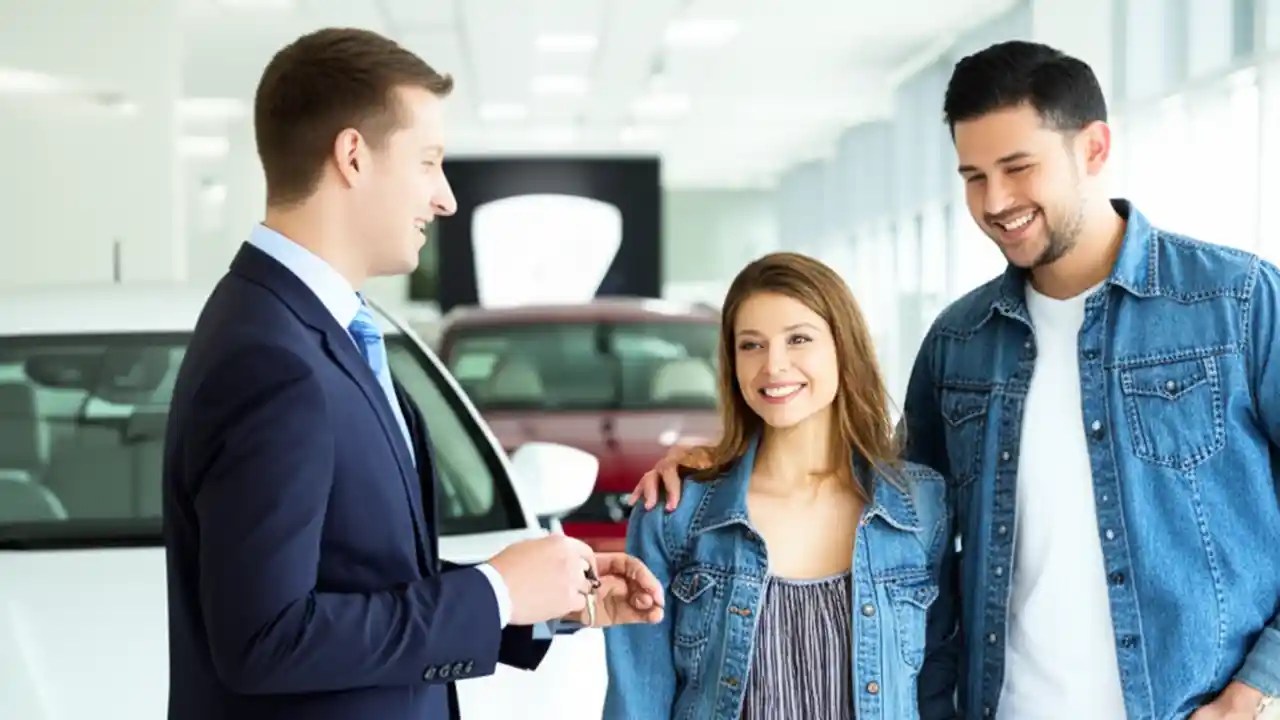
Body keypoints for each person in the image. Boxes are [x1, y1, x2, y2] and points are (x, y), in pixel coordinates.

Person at [629, 40, 1280, 720]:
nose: (995, 201)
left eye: (1017, 167)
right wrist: (724, 466)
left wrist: (1252, 691)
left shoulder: (1235, 304)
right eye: (973, 175)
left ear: (1093, 148)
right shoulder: (960, 344)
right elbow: (892, 515)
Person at [161, 28, 663, 720]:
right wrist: (495, 592)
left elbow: (355, 582)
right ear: (353, 156)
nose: (446, 198)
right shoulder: (271, 356)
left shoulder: (313, 327)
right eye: (429, 163)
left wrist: (538, 601)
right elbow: (266, 639)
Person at [603, 252, 956, 719]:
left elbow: (936, 688)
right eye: (751, 345)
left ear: (843, 348)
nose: (774, 365)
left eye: (799, 339)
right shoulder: (675, 514)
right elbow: (637, 701)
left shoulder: (919, 507)